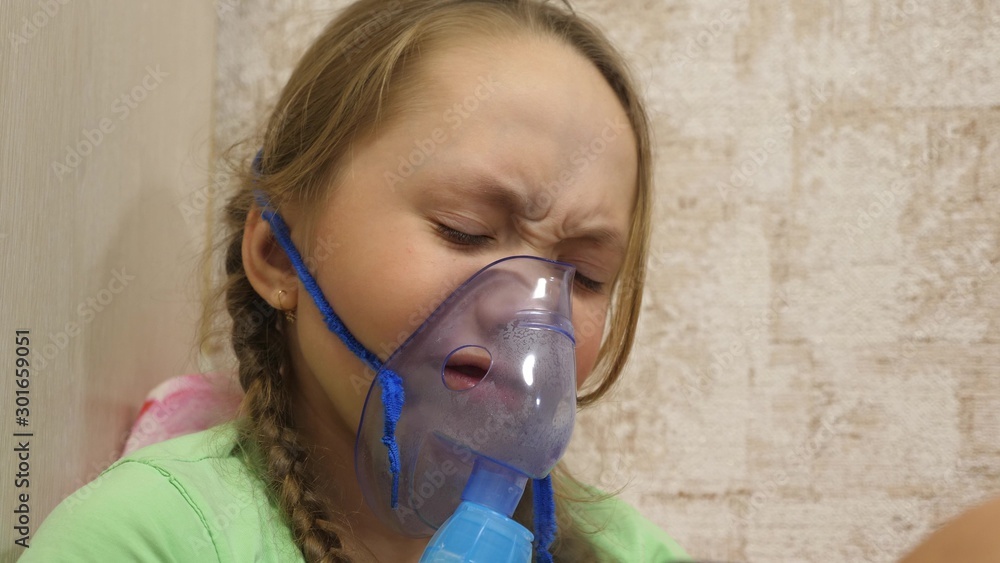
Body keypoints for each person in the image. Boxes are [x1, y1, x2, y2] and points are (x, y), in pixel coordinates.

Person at [19, 0, 690, 561]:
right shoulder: (141, 540)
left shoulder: (631, 552)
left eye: (586, 274)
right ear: (279, 257)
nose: (529, 310)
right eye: (464, 228)